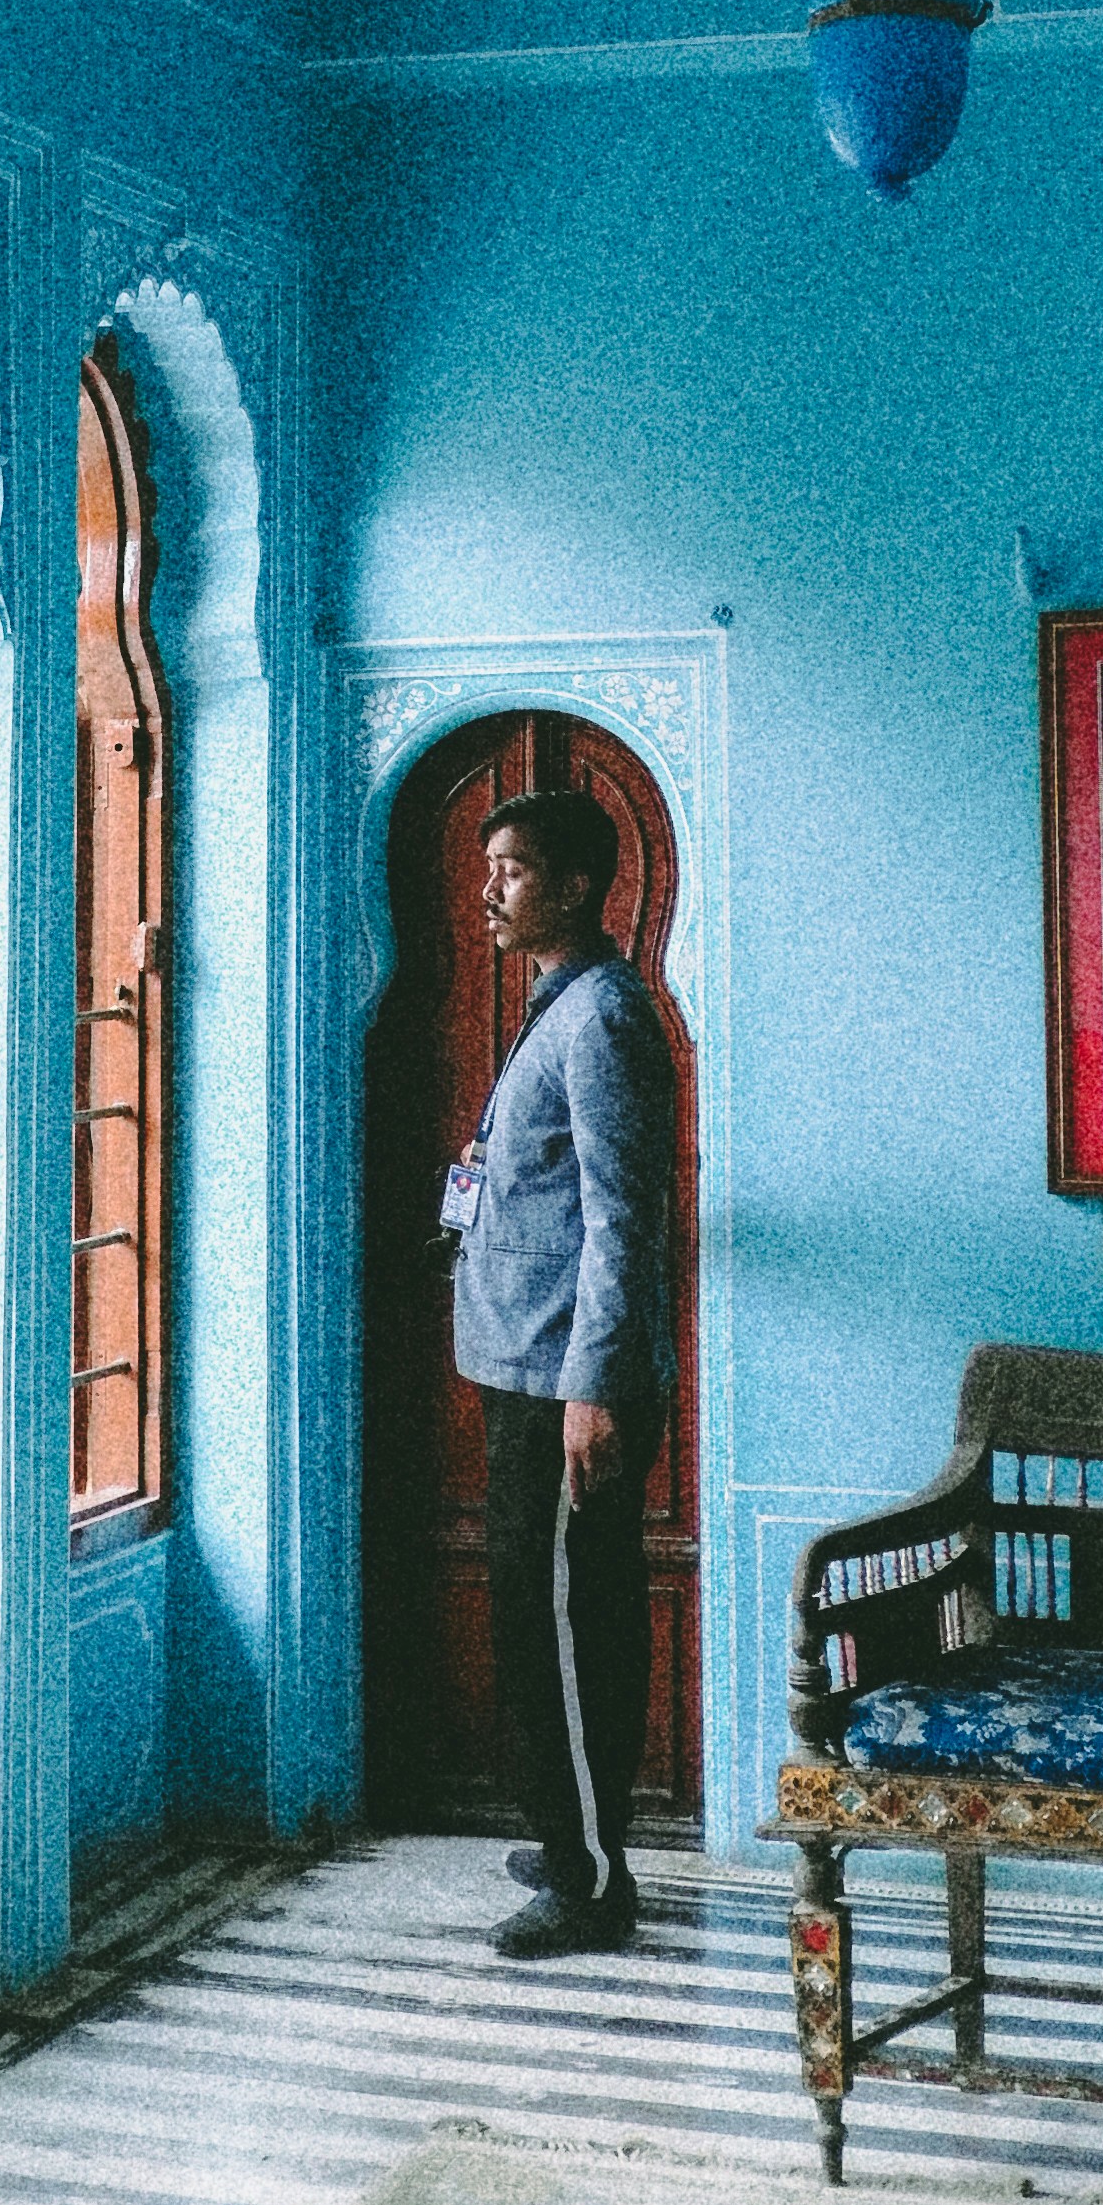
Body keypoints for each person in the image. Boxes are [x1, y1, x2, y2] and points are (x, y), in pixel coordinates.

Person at [445, 787, 679, 1959]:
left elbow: (623, 1218)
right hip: (528, 1367)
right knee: (556, 1617)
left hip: (562, 1383)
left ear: (581, 885)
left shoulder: (602, 1018)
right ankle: (575, 1833)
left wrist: (593, 1387)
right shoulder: (562, 1003)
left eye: (515, 868)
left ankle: (589, 1883)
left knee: (562, 1631)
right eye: (489, 865)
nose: (489, 887)